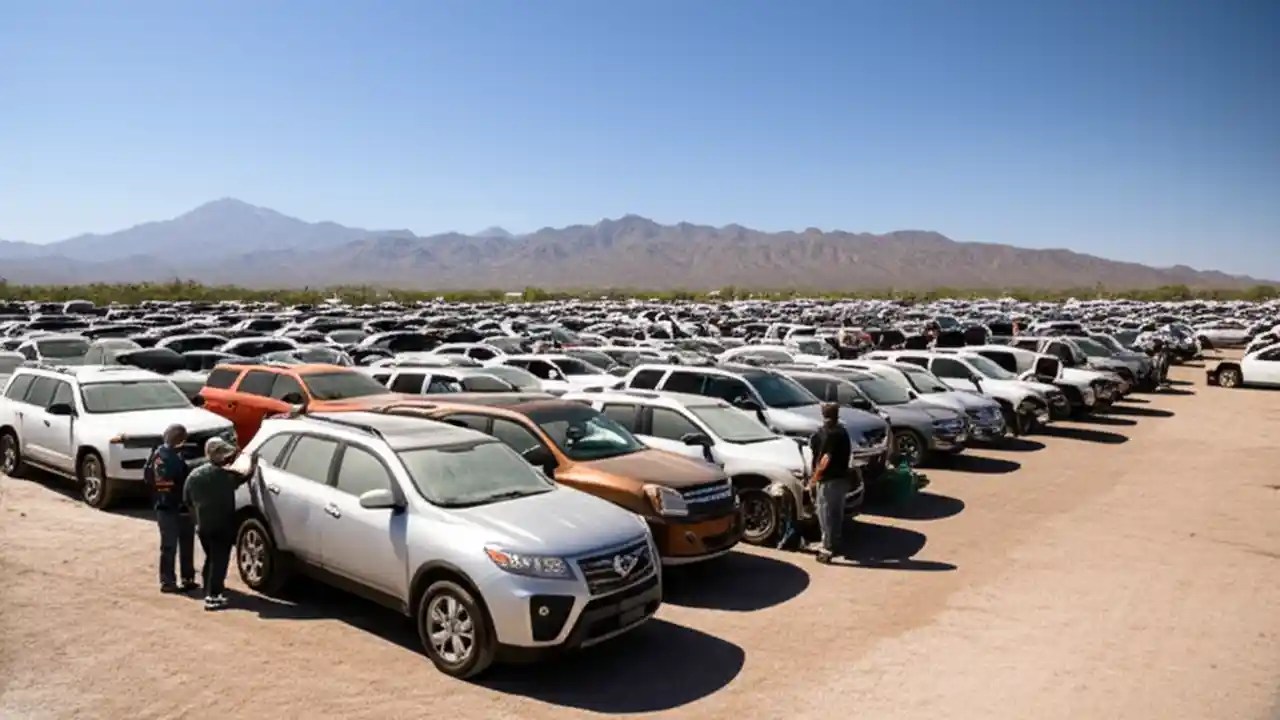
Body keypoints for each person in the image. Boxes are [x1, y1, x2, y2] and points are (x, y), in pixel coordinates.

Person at [183, 438, 257, 610]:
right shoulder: (224, 476)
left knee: (210, 558)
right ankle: (213, 596)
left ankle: (207, 588)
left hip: (203, 526)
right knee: (219, 561)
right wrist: (253, 462)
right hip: (222, 525)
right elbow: (245, 476)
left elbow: (186, 500)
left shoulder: (194, 476)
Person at [145, 424, 195, 593]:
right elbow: (182, 481)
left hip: (163, 505)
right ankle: (177, 580)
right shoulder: (173, 459)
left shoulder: (156, 455)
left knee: (171, 545)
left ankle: (173, 580)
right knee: (177, 545)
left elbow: (147, 477)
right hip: (175, 506)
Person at [807, 403, 855, 564]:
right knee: (836, 513)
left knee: (825, 514)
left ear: (823, 414)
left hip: (828, 479)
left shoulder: (828, 433)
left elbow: (825, 459)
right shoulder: (842, 431)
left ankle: (826, 549)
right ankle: (835, 542)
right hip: (842, 478)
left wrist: (814, 478)